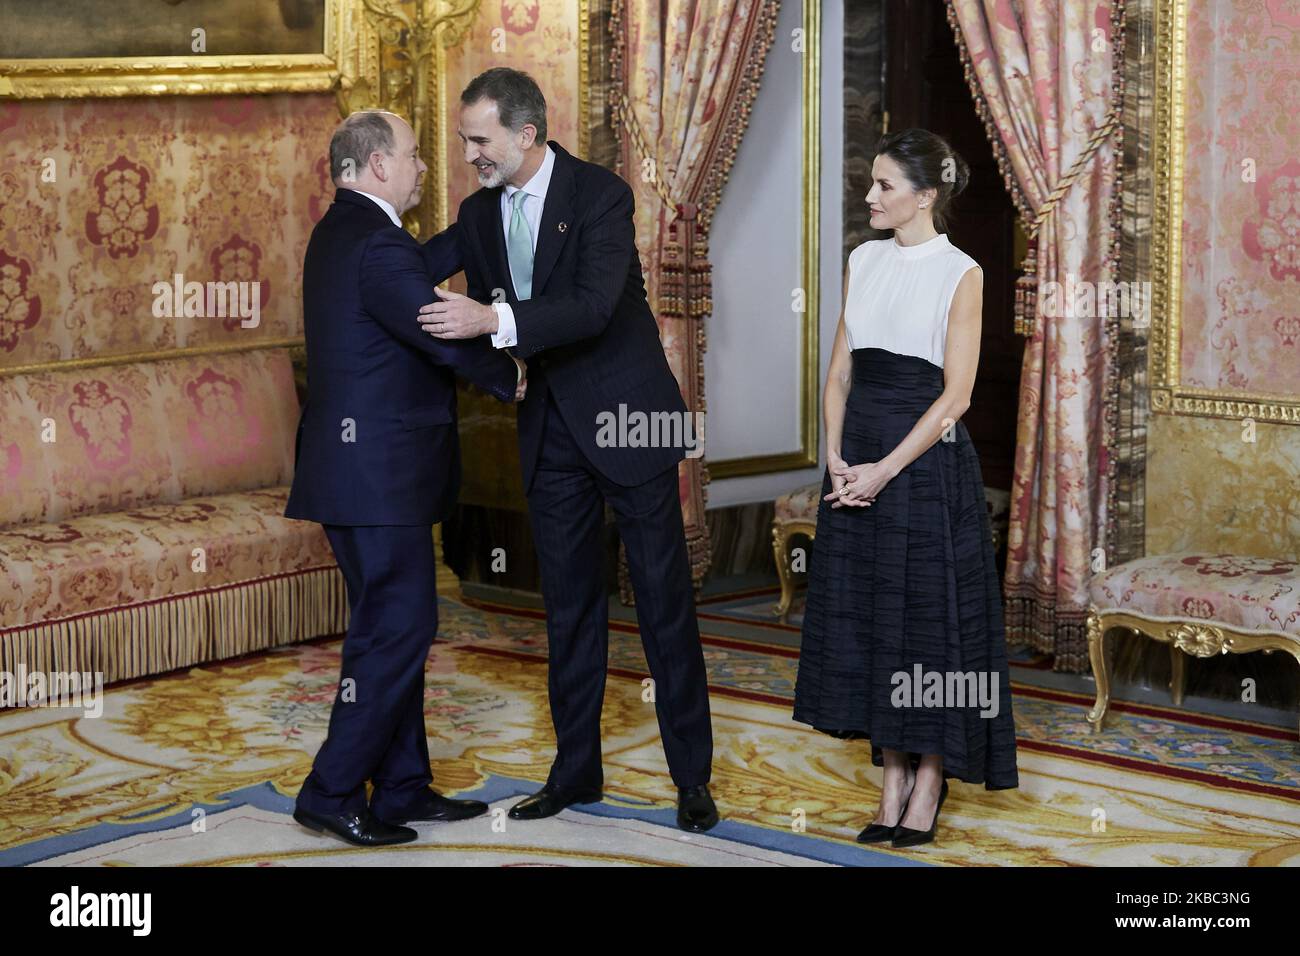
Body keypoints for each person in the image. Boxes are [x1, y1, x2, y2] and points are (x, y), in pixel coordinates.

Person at [419, 68, 717, 832]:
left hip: (630, 421)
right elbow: (417, 268)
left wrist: (492, 321)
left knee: (663, 607)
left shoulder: (601, 195)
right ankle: (575, 772)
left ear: (526, 134)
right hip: (549, 429)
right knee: (570, 611)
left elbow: (588, 306)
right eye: (463, 140)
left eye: (478, 140)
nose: (469, 154)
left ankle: (693, 780)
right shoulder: (476, 213)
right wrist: (354, 244)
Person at [286, 110, 526, 847]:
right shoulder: (376, 244)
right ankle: (329, 790)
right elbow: (433, 326)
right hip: (375, 477)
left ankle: (401, 785)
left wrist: (476, 217)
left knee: (387, 625)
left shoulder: (346, 232)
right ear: (380, 165)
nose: (426, 166)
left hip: (355, 475)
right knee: (400, 627)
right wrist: (508, 372)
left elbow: (407, 273)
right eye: (417, 155)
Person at [793, 128, 1019, 849]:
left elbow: (956, 397)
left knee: (926, 628)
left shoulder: (963, 272)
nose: (869, 195)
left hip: (921, 466)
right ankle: (890, 775)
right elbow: (838, 373)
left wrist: (885, 469)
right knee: (868, 620)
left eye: (884, 184)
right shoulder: (862, 259)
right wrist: (833, 456)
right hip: (853, 460)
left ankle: (929, 778)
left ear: (926, 195)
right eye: (871, 182)